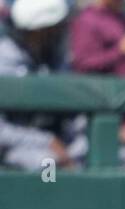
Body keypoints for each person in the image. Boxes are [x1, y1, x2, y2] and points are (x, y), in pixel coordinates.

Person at [0, 0, 74, 169]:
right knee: (48, 165)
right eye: (56, 26)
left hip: (58, 137)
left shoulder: (55, 57)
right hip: (18, 146)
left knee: (124, 155)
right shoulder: (5, 59)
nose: (62, 29)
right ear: (39, 31)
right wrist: (46, 141)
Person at [68, 0, 125, 76]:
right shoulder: (87, 21)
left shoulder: (121, 17)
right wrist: (120, 51)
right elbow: (83, 65)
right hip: (106, 87)